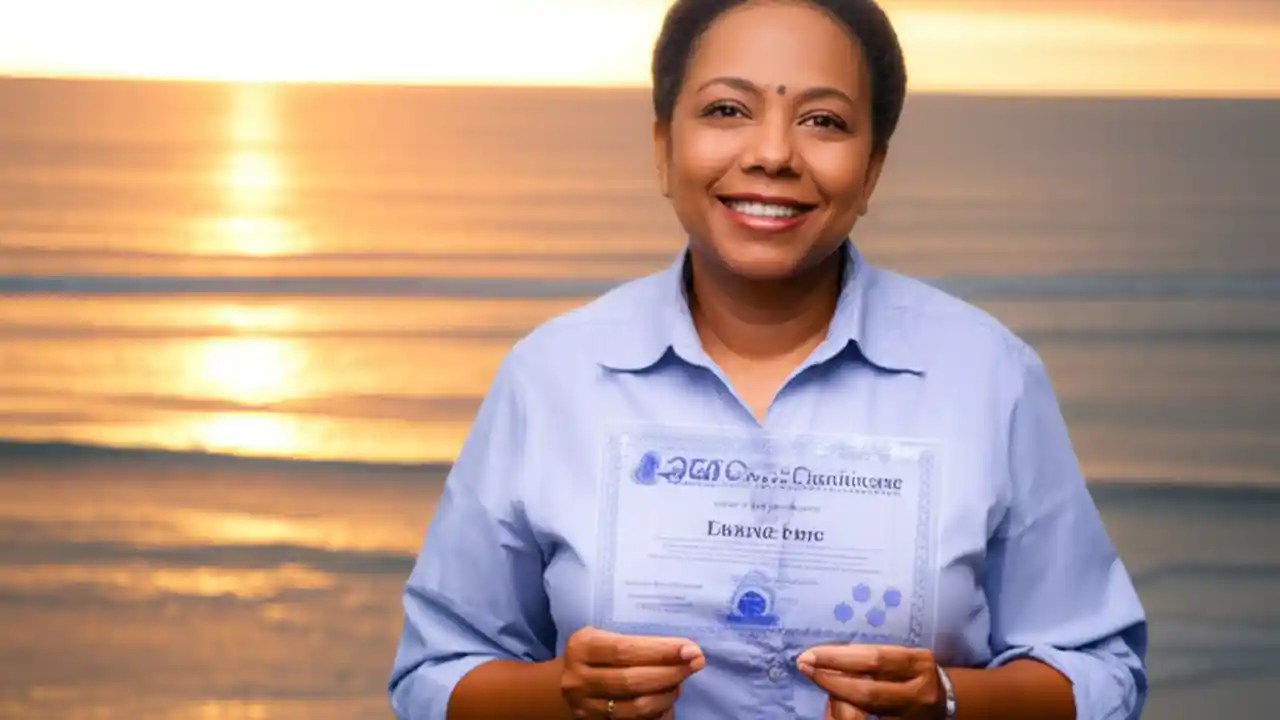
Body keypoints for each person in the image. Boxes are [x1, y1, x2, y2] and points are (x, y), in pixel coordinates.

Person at [389, 0, 1148, 718]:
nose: (774, 153)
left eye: (823, 120)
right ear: (662, 146)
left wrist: (948, 701)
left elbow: (1102, 671)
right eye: (727, 110)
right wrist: (562, 696)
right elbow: (434, 673)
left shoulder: (988, 375)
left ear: (873, 169)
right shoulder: (551, 375)